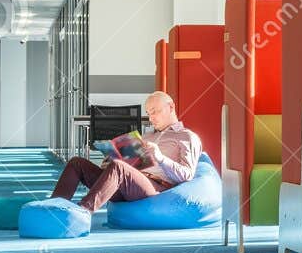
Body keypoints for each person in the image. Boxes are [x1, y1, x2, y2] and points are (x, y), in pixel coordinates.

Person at [51, 91, 201, 212]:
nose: (151, 118)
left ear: (171, 107)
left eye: (155, 111)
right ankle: (53, 207)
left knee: (119, 167)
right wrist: (111, 159)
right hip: (127, 183)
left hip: (155, 187)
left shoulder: (187, 136)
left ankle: (83, 210)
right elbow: (131, 163)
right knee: (77, 163)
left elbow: (187, 174)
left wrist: (160, 158)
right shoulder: (147, 136)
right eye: (149, 113)